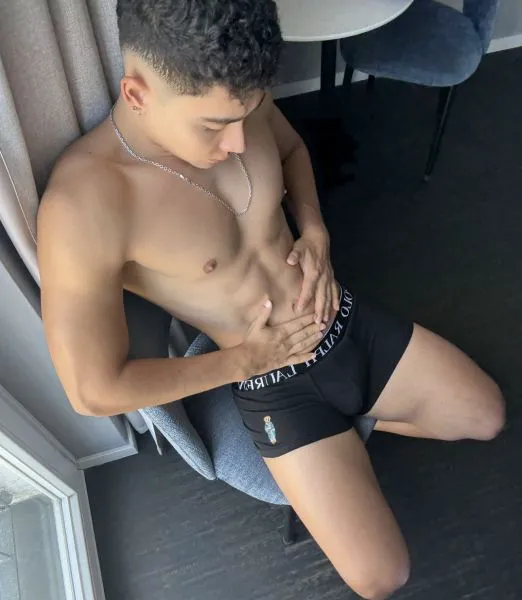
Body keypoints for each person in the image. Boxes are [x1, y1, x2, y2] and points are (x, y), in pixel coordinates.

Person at [37, 1, 505, 598]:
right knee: (381, 577)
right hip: (273, 382)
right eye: (214, 126)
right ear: (137, 94)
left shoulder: (237, 97)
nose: (237, 141)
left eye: (248, 113)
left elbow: (291, 150)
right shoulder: (84, 205)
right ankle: (342, 429)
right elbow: (93, 390)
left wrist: (315, 229)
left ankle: (356, 417)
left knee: (485, 417)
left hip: (340, 317)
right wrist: (243, 362)